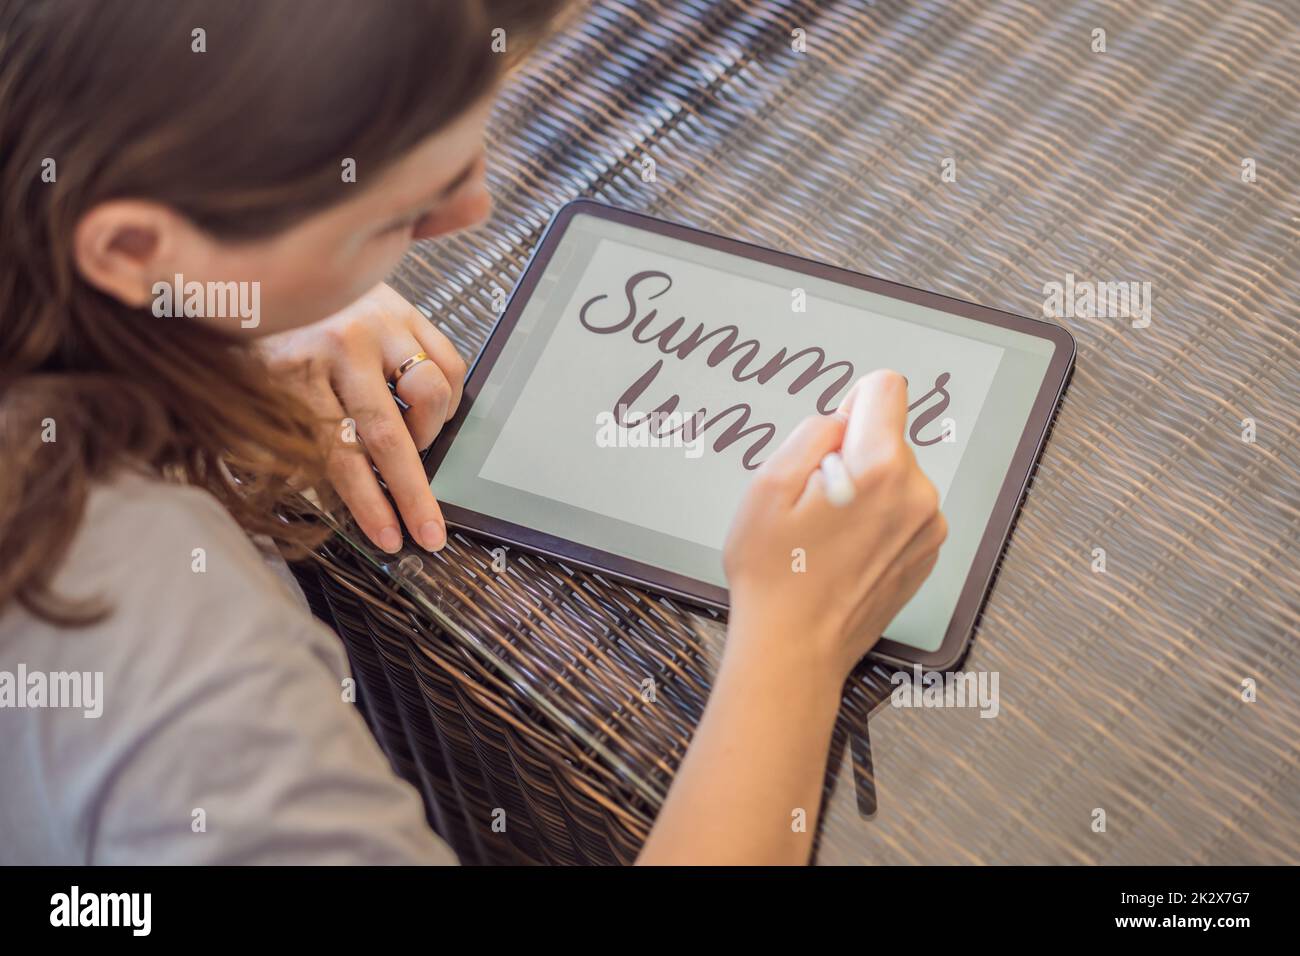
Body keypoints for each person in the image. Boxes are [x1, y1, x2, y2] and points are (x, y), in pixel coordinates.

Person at [0, 0, 946, 865]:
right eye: (402, 205)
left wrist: (248, 291)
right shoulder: (188, 704)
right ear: (130, 245)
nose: (475, 209)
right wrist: (795, 645)